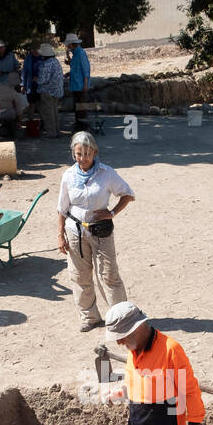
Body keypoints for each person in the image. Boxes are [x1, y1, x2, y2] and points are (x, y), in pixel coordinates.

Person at [102, 301, 205, 425]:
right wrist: (120, 393)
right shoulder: (133, 351)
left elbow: (189, 391)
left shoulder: (170, 350)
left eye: (122, 335)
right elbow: (138, 385)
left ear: (138, 327)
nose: (118, 342)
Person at [56, 131, 133, 332]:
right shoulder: (69, 175)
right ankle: (90, 317)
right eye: (79, 154)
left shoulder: (107, 173)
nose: (83, 158)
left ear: (95, 152)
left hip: (101, 231)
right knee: (80, 276)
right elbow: (62, 208)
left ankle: (122, 318)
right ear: (73, 153)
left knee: (109, 275)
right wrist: (60, 234)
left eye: (87, 154)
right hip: (74, 232)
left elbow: (128, 194)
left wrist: (113, 212)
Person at [35, 44, 64, 138]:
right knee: (55, 112)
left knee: (48, 113)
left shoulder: (46, 64)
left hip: (47, 91)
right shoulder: (56, 61)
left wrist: (35, 79)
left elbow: (43, 80)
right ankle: (57, 131)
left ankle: (51, 133)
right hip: (57, 91)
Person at [63, 33, 91, 132]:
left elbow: (85, 69)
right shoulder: (75, 53)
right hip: (76, 84)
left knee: (81, 107)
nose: (67, 46)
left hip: (80, 85)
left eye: (68, 44)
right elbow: (75, 67)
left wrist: (86, 83)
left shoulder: (80, 53)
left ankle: (83, 127)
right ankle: (79, 125)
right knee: (77, 106)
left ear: (71, 43)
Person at [21, 44, 43, 118]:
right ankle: (31, 123)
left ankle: (43, 122)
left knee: (40, 104)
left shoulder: (43, 58)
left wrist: (39, 78)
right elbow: (24, 71)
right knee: (31, 104)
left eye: (36, 49)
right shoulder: (28, 58)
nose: (34, 51)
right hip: (31, 85)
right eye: (32, 50)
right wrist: (23, 85)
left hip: (41, 85)